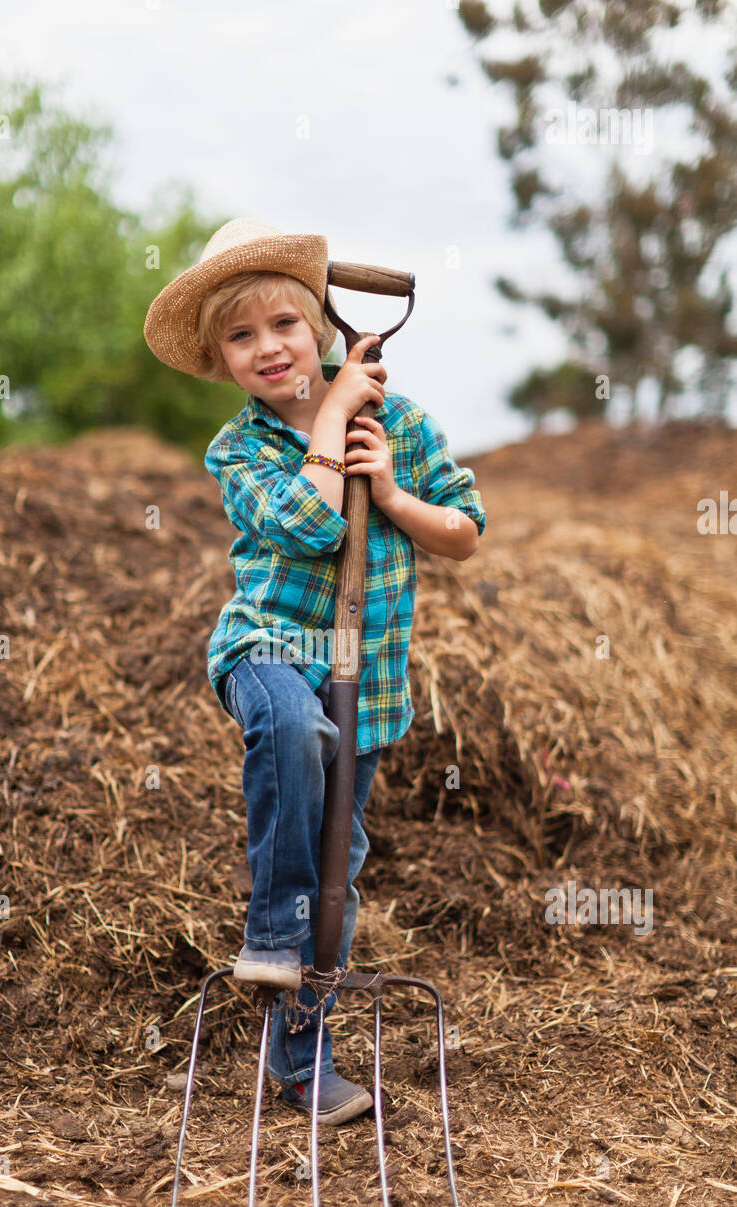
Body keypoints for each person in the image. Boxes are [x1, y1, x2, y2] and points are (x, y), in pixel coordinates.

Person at [144, 218, 485, 1125]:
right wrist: (331, 420)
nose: (267, 348)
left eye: (284, 324)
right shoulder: (240, 448)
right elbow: (307, 524)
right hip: (267, 649)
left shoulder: (401, 425)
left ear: (323, 325)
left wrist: (396, 492)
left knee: (337, 870)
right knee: (292, 728)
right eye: (240, 335)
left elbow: (465, 534)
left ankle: (301, 1059)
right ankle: (269, 935)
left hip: (363, 682)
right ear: (221, 358)